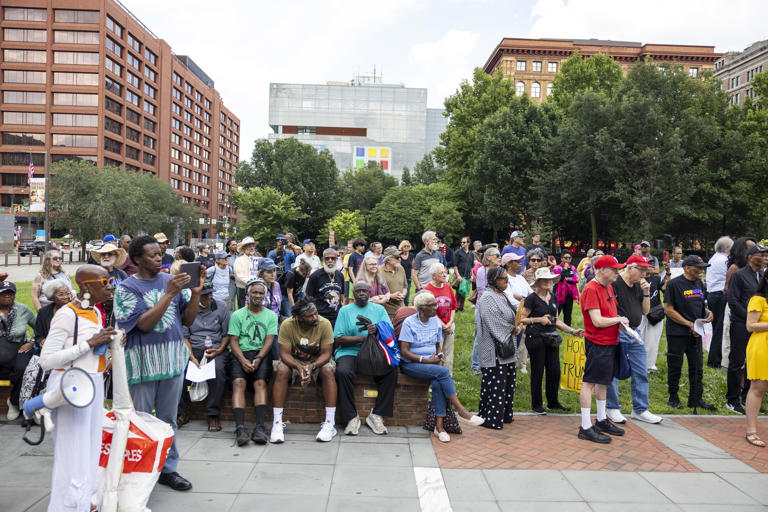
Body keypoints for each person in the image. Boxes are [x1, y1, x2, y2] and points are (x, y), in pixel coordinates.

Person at [114, 235, 204, 491]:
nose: (158, 258)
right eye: (152, 255)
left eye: (159, 253)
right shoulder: (127, 288)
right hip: (143, 364)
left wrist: (195, 294)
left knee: (168, 419)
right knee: (142, 420)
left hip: (172, 361)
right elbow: (142, 324)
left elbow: (187, 320)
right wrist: (169, 294)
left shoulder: (171, 281)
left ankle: (168, 469)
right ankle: (142, 471)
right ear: (138, 259)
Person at [39, 265, 115, 511]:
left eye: (110, 279)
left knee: (90, 448)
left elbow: (93, 351)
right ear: (85, 286)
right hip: (70, 387)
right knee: (72, 454)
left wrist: (110, 343)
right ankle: (66, 506)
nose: (110, 285)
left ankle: (85, 501)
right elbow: (47, 360)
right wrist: (88, 344)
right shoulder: (67, 314)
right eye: (104, 281)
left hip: (92, 384)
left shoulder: (94, 311)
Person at [400, 291, 484, 441]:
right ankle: (461, 411)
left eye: (435, 303)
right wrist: (426, 361)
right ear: (421, 309)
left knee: (438, 383)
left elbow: (437, 346)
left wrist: (438, 356)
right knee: (443, 373)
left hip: (432, 364)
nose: (436, 307)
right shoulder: (409, 323)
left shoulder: (435, 322)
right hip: (412, 364)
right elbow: (404, 352)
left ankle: (439, 427)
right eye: (432, 305)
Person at [605, 255, 663, 424]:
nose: (644, 274)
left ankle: (640, 409)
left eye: (646, 270)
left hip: (634, 331)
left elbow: (646, 311)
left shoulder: (639, 285)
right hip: (618, 330)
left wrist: (646, 293)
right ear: (630, 267)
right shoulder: (615, 283)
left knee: (640, 369)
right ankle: (612, 407)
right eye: (642, 270)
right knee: (614, 370)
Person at [334, 281, 397, 435]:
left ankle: (376, 415)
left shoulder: (379, 309)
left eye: (364, 291)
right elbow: (339, 338)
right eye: (358, 291)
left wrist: (376, 329)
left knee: (392, 370)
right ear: (353, 294)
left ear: (370, 293)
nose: (361, 293)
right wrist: (362, 339)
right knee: (343, 372)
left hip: (374, 352)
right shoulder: (345, 310)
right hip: (350, 351)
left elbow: (390, 330)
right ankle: (351, 417)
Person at [271, 297, 337, 443]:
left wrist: (312, 366)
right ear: (299, 318)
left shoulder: (324, 324)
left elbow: (327, 353)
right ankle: (276, 423)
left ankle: (330, 423)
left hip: (318, 360)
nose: (315, 317)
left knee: (328, 371)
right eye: (310, 316)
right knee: (281, 371)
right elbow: (284, 354)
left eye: (316, 313)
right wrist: (299, 367)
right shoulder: (287, 325)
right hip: (294, 360)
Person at [577, 255, 628, 444]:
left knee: (603, 382)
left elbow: (609, 315)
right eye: (614, 269)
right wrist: (618, 320)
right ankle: (585, 426)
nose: (617, 272)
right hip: (598, 342)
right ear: (601, 270)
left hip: (609, 341)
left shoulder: (608, 287)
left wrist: (619, 322)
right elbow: (597, 321)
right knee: (589, 382)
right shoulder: (591, 289)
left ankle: (601, 419)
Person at [518, 267, 581, 414]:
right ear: (538, 282)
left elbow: (556, 320)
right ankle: (537, 404)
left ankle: (553, 402)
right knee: (538, 371)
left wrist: (572, 331)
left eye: (550, 279)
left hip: (551, 338)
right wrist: (539, 319)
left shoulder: (553, 297)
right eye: (545, 279)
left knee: (554, 371)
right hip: (536, 338)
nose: (548, 282)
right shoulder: (531, 298)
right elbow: (521, 319)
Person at [228, 278, 277, 446]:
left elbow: (269, 339)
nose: (258, 295)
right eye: (254, 292)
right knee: (238, 383)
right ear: (248, 294)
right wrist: (242, 360)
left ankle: (260, 427)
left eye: (261, 293)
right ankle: (240, 427)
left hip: (260, 354)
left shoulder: (270, 315)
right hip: (241, 353)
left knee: (260, 383)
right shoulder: (237, 315)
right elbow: (233, 340)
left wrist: (258, 358)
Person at [664, 255, 716, 412]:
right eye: (698, 268)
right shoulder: (674, 284)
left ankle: (696, 398)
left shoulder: (700, 283)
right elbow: (668, 309)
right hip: (678, 333)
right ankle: (673, 398)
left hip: (696, 333)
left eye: (703, 268)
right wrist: (688, 324)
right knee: (675, 366)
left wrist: (707, 312)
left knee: (697, 367)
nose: (701, 271)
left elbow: (699, 304)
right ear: (686, 268)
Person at [178, 283, 230, 432]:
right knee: (181, 372)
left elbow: (226, 334)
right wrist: (191, 356)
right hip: (194, 348)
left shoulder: (220, 307)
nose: (208, 297)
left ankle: (213, 414)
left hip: (216, 348)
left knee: (218, 371)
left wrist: (219, 349)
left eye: (210, 294)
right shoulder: (189, 309)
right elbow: (185, 337)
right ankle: (181, 413)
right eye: (204, 295)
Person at [726, 244, 767, 414]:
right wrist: (751, 317)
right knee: (737, 362)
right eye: (761, 255)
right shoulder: (739, 275)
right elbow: (733, 301)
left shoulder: (762, 276)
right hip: (742, 324)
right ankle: (732, 399)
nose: (765, 258)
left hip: (759, 329)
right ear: (750, 256)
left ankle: (749, 397)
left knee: (752, 365)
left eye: (766, 255)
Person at [475, 267, 517, 429]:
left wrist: (517, 324)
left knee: (507, 384)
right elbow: (493, 322)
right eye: (504, 279)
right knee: (495, 385)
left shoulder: (502, 294)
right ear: (494, 281)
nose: (507, 281)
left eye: (507, 279)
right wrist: (513, 328)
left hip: (506, 347)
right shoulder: (487, 297)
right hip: (494, 349)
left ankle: (505, 415)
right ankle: (492, 418)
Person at [0, 281, 37, 420]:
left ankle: (14, 402)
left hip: (18, 348)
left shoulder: (23, 309)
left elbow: (39, 327)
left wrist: (31, 342)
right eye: (3, 293)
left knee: (22, 369)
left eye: (10, 293)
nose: (7, 296)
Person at [723, 237, 758, 369]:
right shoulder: (735, 268)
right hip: (737, 311)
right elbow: (726, 291)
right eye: (749, 248)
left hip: (750, 311)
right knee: (736, 351)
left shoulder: (756, 271)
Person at [744, 271, 768, 447]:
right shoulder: (758, 299)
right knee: (758, 387)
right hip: (762, 346)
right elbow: (750, 325)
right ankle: (751, 431)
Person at [424, 262, 458, 375]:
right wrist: (443, 325)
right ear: (433, 276)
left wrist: (450, 323)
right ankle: (434, 377)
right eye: (441, 273)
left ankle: (448, 376)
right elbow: (429, 311)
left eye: (445, 272)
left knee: (448, 352)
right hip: (435, 326)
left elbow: (453, 306)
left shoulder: (448, 287)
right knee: (436, 353)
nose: (444, 275)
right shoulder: (428, 289)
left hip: (449, 324)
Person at [707, 237, 734, 369]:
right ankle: (715, 360)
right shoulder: (725, 260)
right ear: (728, 249)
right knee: (720, 328)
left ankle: (714, 358)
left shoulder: (714, 258)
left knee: (716, 327)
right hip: (720, 294)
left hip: (712, 294)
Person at [306, 248, 345, 327]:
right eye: (327, 258)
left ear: (336, 260)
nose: (330, 260)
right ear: (323, 260)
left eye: (333, 258)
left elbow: (342, 296)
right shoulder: (315, 276)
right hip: (320, 317)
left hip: (336, 317)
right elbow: (308, 296)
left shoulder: (340, 275)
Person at [641, 260, 667, 373]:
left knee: (653, 340)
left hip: (655, 312)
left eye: (651, 266)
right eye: (646, 266)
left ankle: (650, 365)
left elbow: (665, 288)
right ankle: (637, 364)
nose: (649, 268)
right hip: (640, 312)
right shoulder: (637, 280)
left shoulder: (656, 279)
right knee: (638, 339)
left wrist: (668, 272)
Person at [34, 280, 72, 351]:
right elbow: (38, 335)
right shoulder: (43, 312)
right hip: (50, 349)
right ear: (51, 297)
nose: (66, 297)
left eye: (68, 293)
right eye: (61, 294)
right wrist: (41, 341)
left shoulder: (76, 310)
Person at [380, 246, 408, 320]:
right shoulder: (379, 271)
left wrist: (403, 295)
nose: (400, 259)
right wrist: (391, 296)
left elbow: (405, 287)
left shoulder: (401, 268)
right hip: (386, 310)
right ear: (388, 260)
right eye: (397, 257)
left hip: (401, 308)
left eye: (400, 256)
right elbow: (375, 293)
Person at [553, 251, 580, 326]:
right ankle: (553, 326)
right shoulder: (557, 267)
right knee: (556, 311)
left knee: (568, 312)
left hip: (569, 294)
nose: (568, 260)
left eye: (569, 258)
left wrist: (568, 279)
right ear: (561, 259)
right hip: (559, 294)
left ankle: (567, 328)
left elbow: (577, 279)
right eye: (565, 258)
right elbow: (559, 279)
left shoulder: (573, 268)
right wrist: (564, 269)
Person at [233, 236, 259, 309]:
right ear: (244, 248)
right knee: (243, 312)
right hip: (243, 290)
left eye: (253, 246)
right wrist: (254, 283)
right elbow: (240, 277)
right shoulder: (238, 260)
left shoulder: (257, 260)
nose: (251, 248)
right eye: (249, 246)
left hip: (256, 289)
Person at [455, 236, 474, 311]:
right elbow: (455, 265)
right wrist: (458, 276)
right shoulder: (458, 252)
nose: (462, 243)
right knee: (458, 292)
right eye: (461, 242)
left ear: (468, 243)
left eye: (464, 242)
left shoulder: (471, 254)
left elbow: (472, 266)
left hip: (468, 276)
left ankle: (461, 307)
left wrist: (472, 275)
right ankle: (455, 307)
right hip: (460, 275)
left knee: (464, 292)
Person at [347, 238, 367, 302]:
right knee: (352, 298)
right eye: (361, 245)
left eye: (363, 245)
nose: (363, 247)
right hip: (354, 280)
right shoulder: (352, 256)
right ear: (356, 246)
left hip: (362, 280)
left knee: (361, 298)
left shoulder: (363, 256)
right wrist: (354, 281)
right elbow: (350, 269)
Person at [399, 240, 415, 306]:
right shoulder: (398, 256)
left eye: (407, 246)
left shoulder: (411, 256)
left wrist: (412, 276)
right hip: (400, 278)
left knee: (406, 297)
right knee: (400, 296)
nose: (406, 247)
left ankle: (406, 310)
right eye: (404, 246)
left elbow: (412, 267)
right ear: (401, 247)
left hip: (408, 278)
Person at [225, 239, 239, 312]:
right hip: (231, 282)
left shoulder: (239, 256)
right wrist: (232, 276)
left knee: (241, 300)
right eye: (233, 245)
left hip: (240, 282)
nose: (235, 246)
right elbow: (225, 270)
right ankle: (231, 318)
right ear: (228, 246)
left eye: (236, 245)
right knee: (231, 301)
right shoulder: (226, 257)